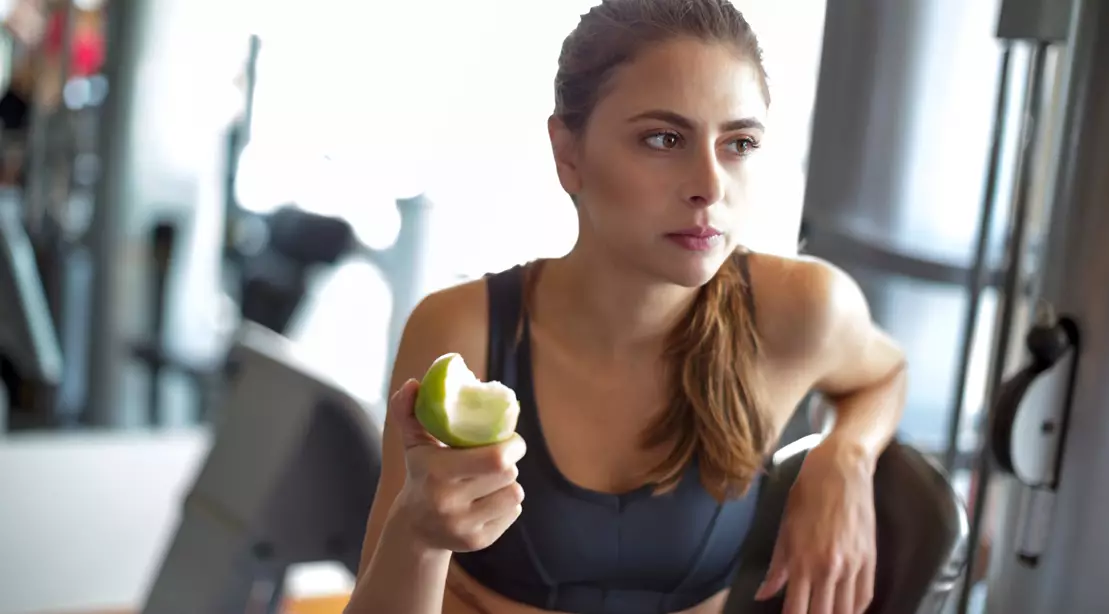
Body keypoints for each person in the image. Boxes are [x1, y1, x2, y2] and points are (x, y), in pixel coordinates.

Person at [347, 1, 907, 613]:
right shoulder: (464, 330)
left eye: (739, 143)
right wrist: (419, 537)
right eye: (664, 138)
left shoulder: (797, 310)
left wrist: (848, 452)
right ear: (569, 153)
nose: (710, 185)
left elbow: (884, 372)